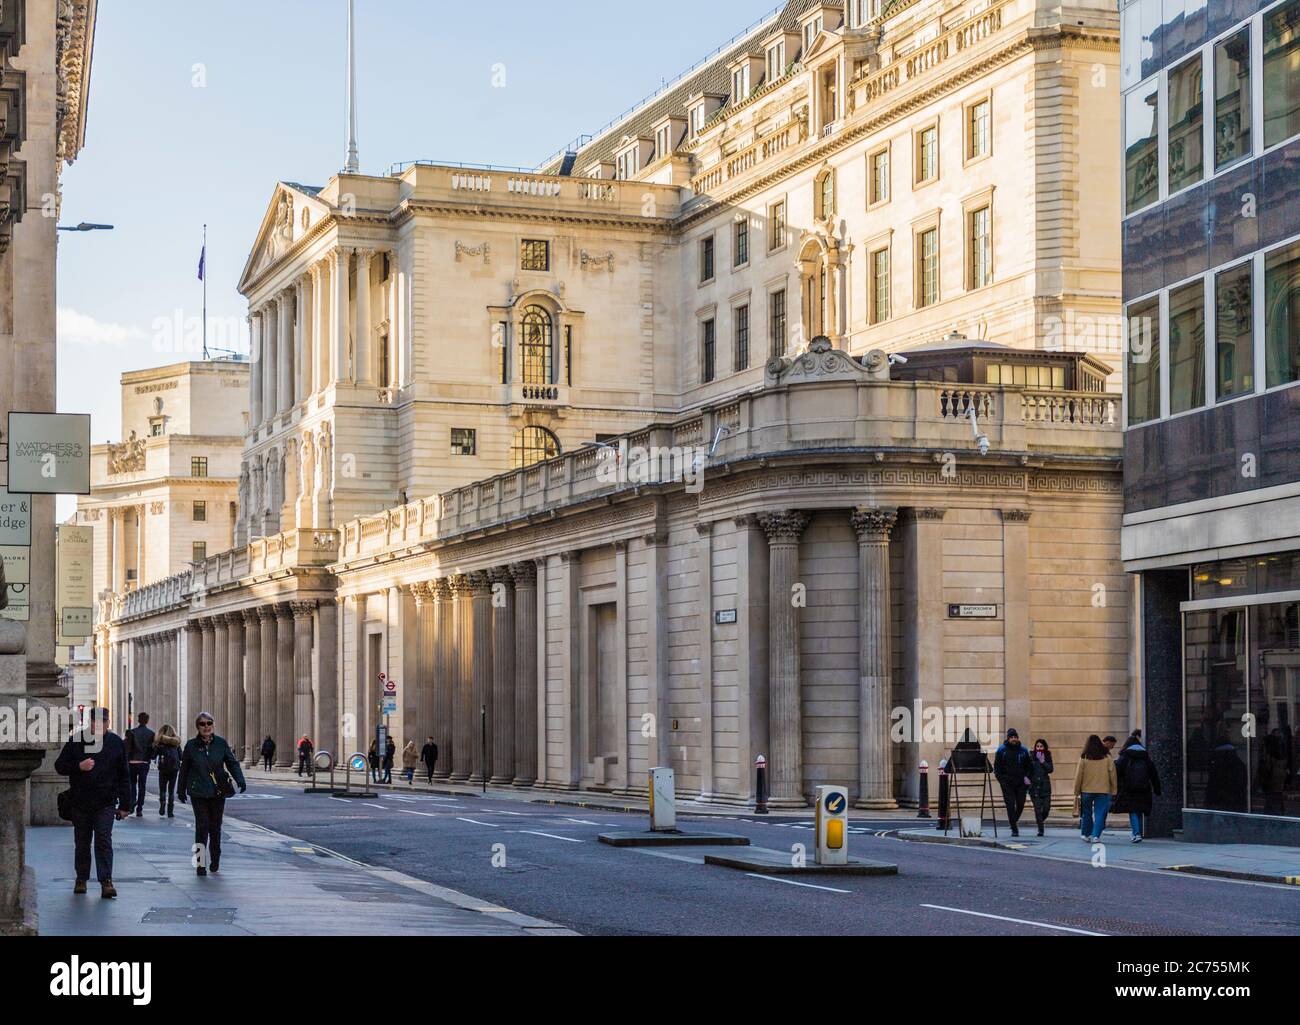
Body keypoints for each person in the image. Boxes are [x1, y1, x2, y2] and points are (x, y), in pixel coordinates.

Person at [54, 708, 131, 899]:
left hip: (106, 802)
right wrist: (78, 767)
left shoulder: (116, 744)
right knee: (82, 842)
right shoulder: (76, 741)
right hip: (81, 801)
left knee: (103, 840)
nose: (99, 725)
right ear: (90, 722)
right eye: (96, 721)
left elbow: (124, 775)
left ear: (108, 723)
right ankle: (81, 878)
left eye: (103, 721)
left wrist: (126, 805)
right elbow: (59, 766)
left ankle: (106, 881)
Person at [178, 712, 247, 876]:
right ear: (198, 727)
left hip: (217, 792)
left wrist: (240, 780)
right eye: (202, 724)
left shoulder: (221, 744)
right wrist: (180, 790)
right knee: (201, 827)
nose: (206, 726)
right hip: (199, 792)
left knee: (215, 828)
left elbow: (232, 763)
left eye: (209, 723)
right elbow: (184, 769)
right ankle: (200, 864)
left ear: (213, 725)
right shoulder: (191, 746)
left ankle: (215, 859)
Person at [1114, 732, 1162, 842]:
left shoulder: (1125, 756)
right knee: (1139, 810)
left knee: (1133, 810)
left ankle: (1136, 833)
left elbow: (1117, 772)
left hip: (1129, 787)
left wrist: (1116, 787)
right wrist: (1157, 789)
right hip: (1144, 788)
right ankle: (1138, 832)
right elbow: (1154, 774)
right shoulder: (1145, 756)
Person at [1074, 734, 1117, 843]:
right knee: (1100, 814)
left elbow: (1079, 775)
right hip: (1103, 790)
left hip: (1086, 790)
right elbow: (1113, 774)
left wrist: (1076, 790)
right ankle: (1096, 836)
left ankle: (1085, 834)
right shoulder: (1107, 757)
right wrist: (1114, 789)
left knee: (1086, 813)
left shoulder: (1084, 757)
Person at [993, 728, 1033, 837]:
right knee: (1010, 805)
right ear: (1008, 738)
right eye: (1011, 737)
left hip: (1021, 783)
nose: (1014, 739)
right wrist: (1002, 780)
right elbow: (997, 767)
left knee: (1021, 803)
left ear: (1018, 738)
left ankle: (1013, 821)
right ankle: (1014, 829)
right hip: (1007, 784)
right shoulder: (1002, 750)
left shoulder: (1023, 750)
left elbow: (1029, 767)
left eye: (1015, 737)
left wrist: (1027, 778)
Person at [123, 711, 156, 818]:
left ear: (138, 720)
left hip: (133, 762)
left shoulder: (132, 732)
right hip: (144, 762)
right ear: (147, 721)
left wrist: (126, 760)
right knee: (142, 786)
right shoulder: (151, 734)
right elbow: (152, 750)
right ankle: (139, 809)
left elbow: (127, 749)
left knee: (132, 784)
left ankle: (132, 803)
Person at [1028, 738, 1054, 837]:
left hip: (1045, 787)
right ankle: (1040, 830)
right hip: (1034, 787)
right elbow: (1028, 770)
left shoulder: (1047, 756)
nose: (1039, 748)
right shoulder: (1031, 756)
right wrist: (1026, 779)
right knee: (1038, 810)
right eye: (1037, 746)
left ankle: (1040, 821)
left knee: (1046, 809)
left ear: (1044, 747)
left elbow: (1051, 769)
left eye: (1041, 746)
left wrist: (1043, 761)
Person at [154, 724, 182, 817]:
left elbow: (153, 755)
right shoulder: (176, 743)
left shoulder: (160, 743)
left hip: (163, 768)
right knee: (171, 790)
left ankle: (162, 803)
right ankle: (170, 811)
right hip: (174, 768)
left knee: (162, 788)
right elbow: (181, 756)